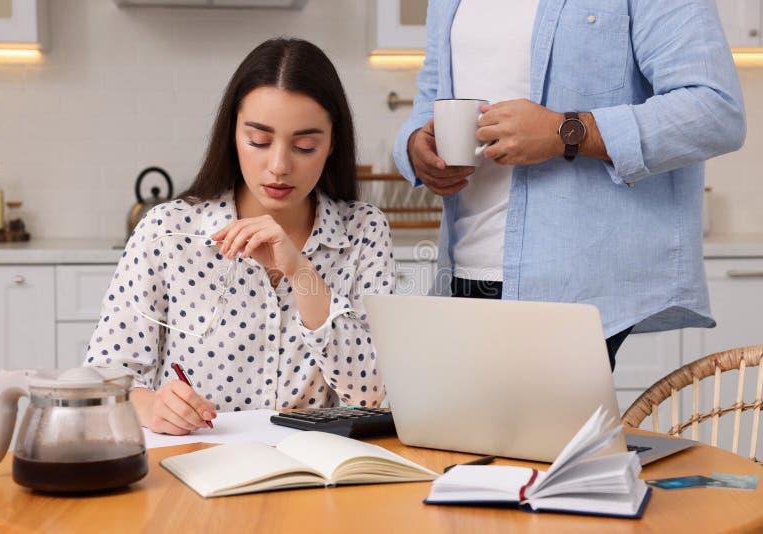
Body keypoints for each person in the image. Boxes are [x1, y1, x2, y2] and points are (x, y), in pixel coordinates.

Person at [394, 0, 746, 370]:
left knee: (550, 429)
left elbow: (715, 111)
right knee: (455, 429)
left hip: (571, 286)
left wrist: (565, 132)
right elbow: (430, 97)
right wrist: (416, 146)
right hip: (462, 273)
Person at [86, 38, 394, 435]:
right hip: (197, 469)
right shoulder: (167, 233)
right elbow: (104, 377)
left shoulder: (363, 231)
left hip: (313, 474)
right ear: (232, 134)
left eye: (305, 146)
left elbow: (369, 394)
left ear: (332, 144)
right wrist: (150, 405)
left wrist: (301, 272)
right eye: (259, 141)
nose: (279, 165)